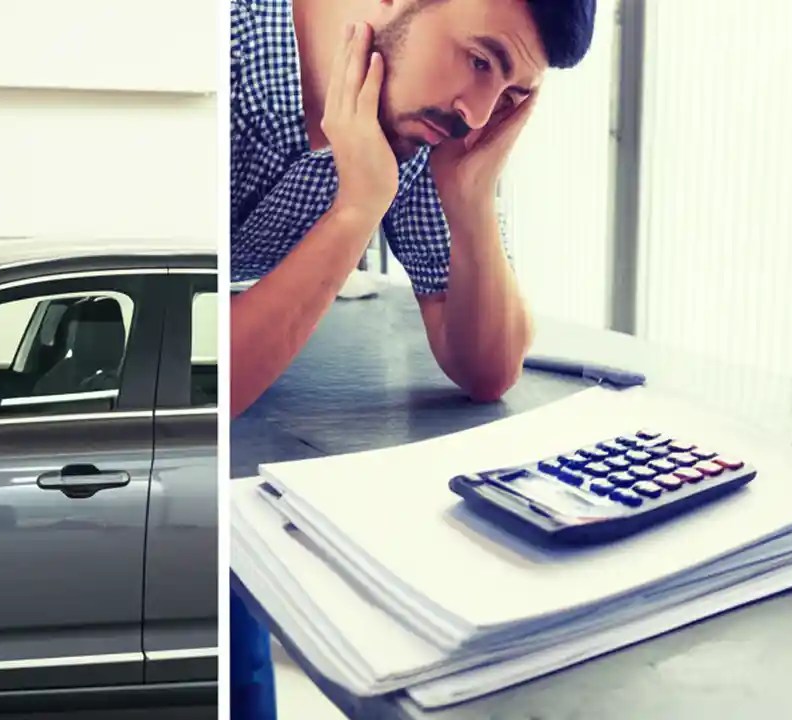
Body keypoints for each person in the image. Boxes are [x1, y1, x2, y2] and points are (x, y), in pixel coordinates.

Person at [229, 0, 595, 716]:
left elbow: (487, 370)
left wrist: (471, 195)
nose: (479, 113)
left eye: (513, 93)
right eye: (481, 61)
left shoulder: (425, 115)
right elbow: (207, 388)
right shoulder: (220, 59)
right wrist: (355, 210)